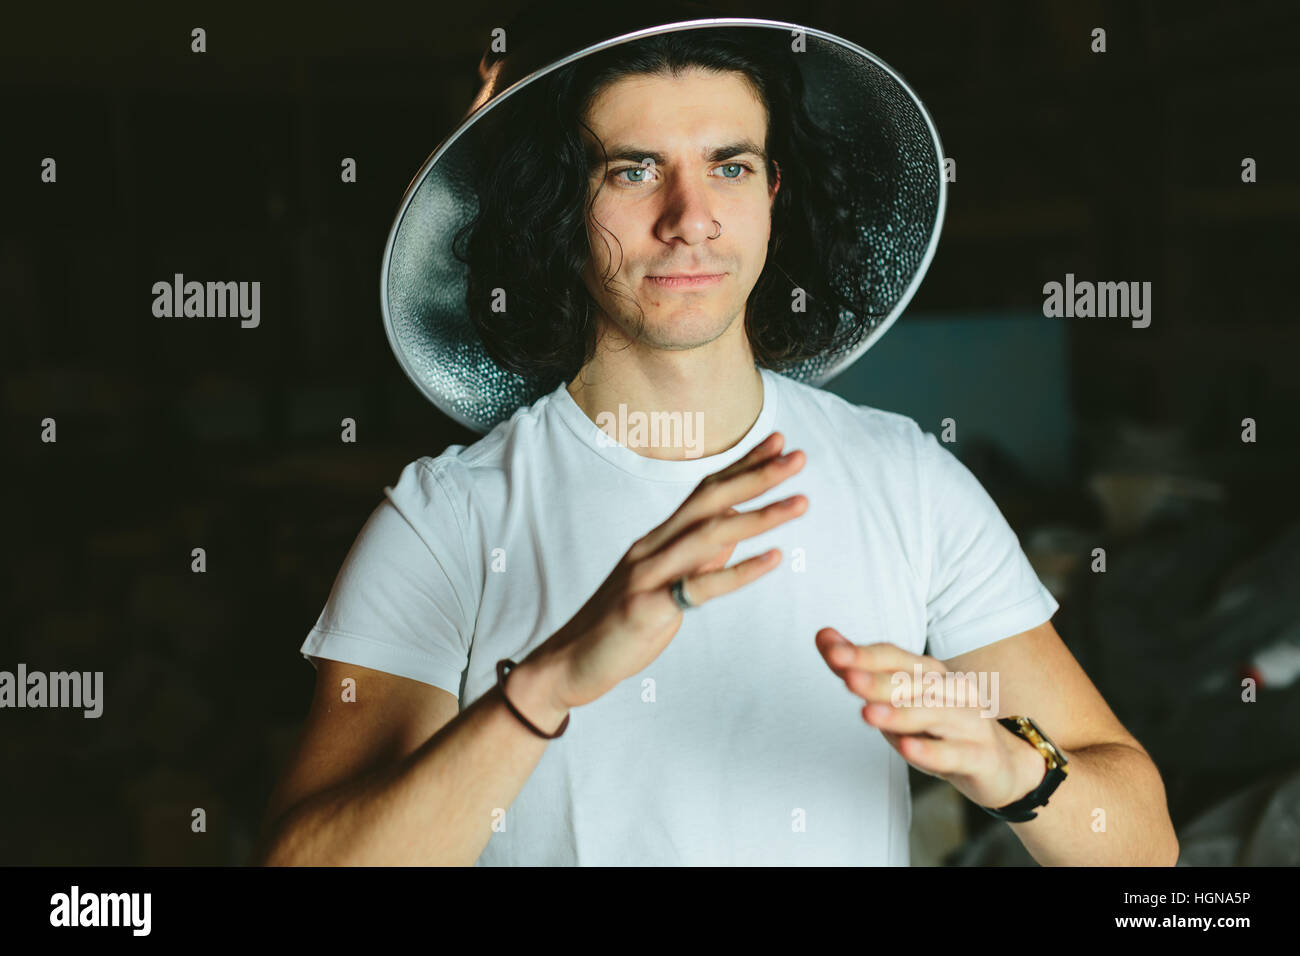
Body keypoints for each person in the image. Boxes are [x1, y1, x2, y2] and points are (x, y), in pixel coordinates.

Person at [254, 7, 1178, 866]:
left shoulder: (908, 480)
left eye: (729, 166)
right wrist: (543, 687)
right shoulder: (447, 520)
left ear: (773, 193)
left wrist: (1015, 769)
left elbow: (1145, 844)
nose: (690, 217)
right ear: (561, 213)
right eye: (633, 169)